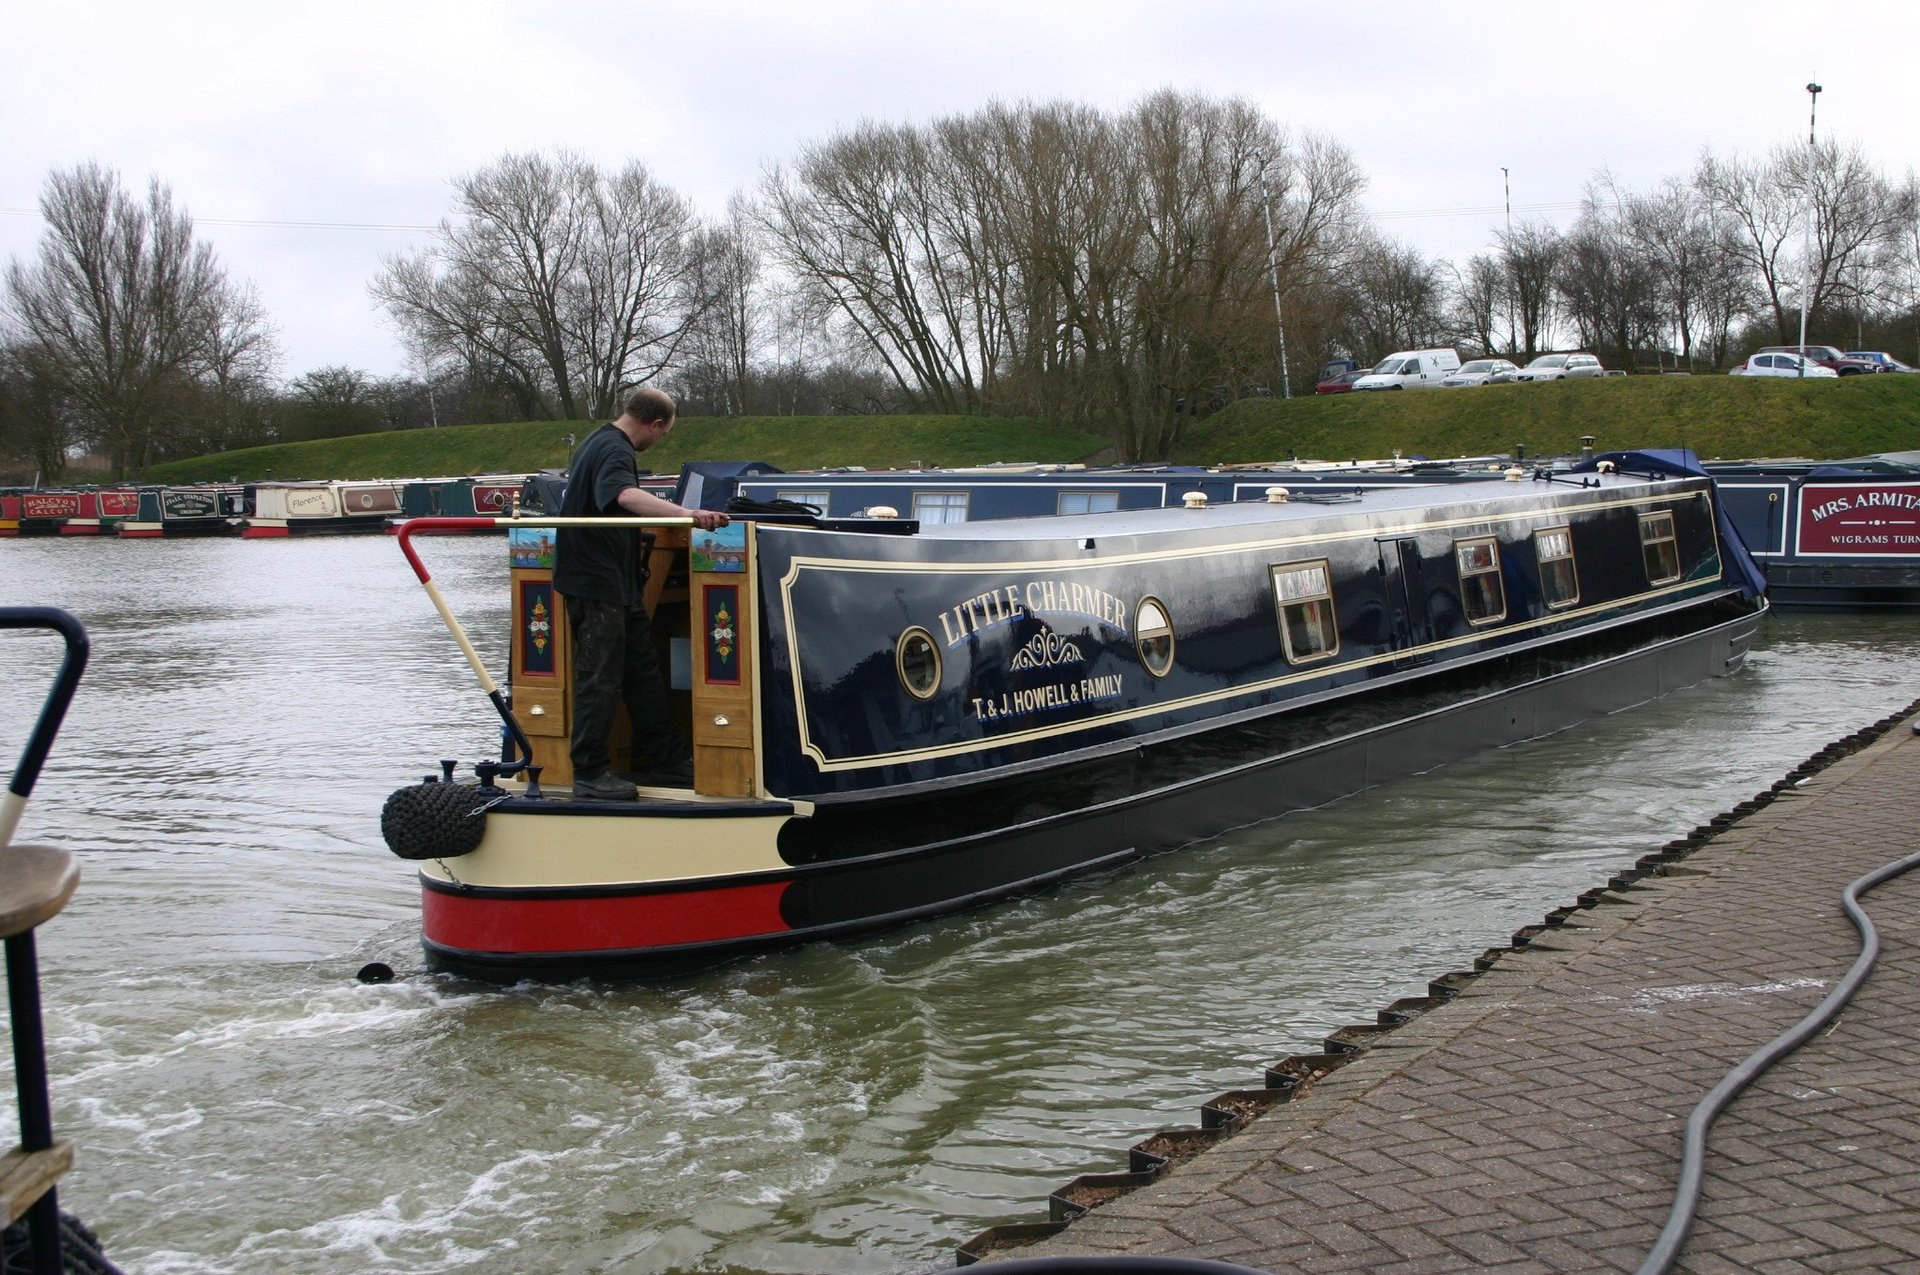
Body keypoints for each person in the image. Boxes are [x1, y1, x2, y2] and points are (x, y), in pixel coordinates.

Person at [554, 386, 729, 800]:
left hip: (617, 581)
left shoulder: (597, 440)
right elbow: (623, 494)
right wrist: (689, 514)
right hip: (595, 582)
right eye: (663, 433)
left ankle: (666, 757)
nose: (659, 440)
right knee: (600, 676)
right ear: (654, 424)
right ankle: (590, 772)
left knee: (641, 673)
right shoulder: (616, 450)